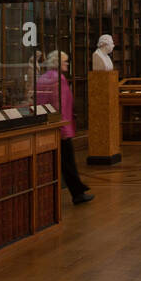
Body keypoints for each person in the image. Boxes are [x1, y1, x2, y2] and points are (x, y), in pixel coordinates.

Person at [36, 50, 93, 205]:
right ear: (57, 63)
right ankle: (78, 193)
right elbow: (59, 105)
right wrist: (64, 129)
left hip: (46, 126)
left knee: (58, 162)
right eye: (64, 61)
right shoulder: (58, 80)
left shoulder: (42, 78)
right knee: (68, 162)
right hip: (60, 126)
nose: (67, 64)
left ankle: (77, 190)